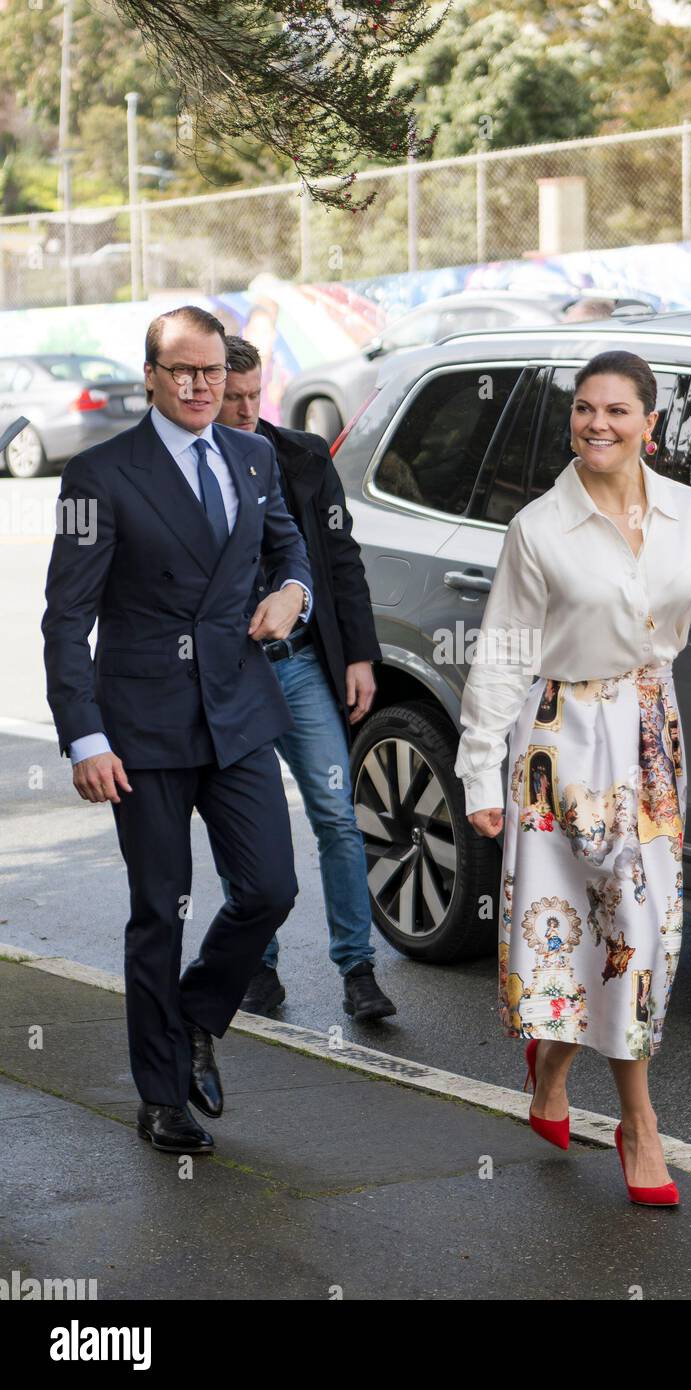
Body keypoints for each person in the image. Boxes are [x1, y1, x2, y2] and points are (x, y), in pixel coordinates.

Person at [454, 349, 691, 1206]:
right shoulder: (538, 527)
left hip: (648, 736)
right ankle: (640, 1129)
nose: (595, 425)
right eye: (582, 409)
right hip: (558, 741)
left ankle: (552, 1074)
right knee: (573, 930)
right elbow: (500, 656)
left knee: (634, 933)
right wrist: (479, 776)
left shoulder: (688, 516)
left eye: (615, 411)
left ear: (650, 423)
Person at [41, 305, 314, 1155]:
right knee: (158, 910)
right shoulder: (97, 474)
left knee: (271, 888)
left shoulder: (254, 454)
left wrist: (293, 594)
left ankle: (196, 1014)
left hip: (235, 714)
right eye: (184, 371)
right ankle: (161, 1097)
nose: (202, 386)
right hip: (142, 729)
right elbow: (65, 617)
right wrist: (85, 736)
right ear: (152, 377)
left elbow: (289, 549)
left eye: (213, 372)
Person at [217, 337, 394, 1022]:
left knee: (336, 817)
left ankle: (358, 970)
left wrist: (357, 656)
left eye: (251, 395)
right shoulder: (189, 466)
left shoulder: (301, 455)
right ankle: (257, 968)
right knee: (247, 829)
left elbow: (339, 558)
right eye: (230, 396)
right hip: (228, 682)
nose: (241, 409)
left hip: (300, 667)